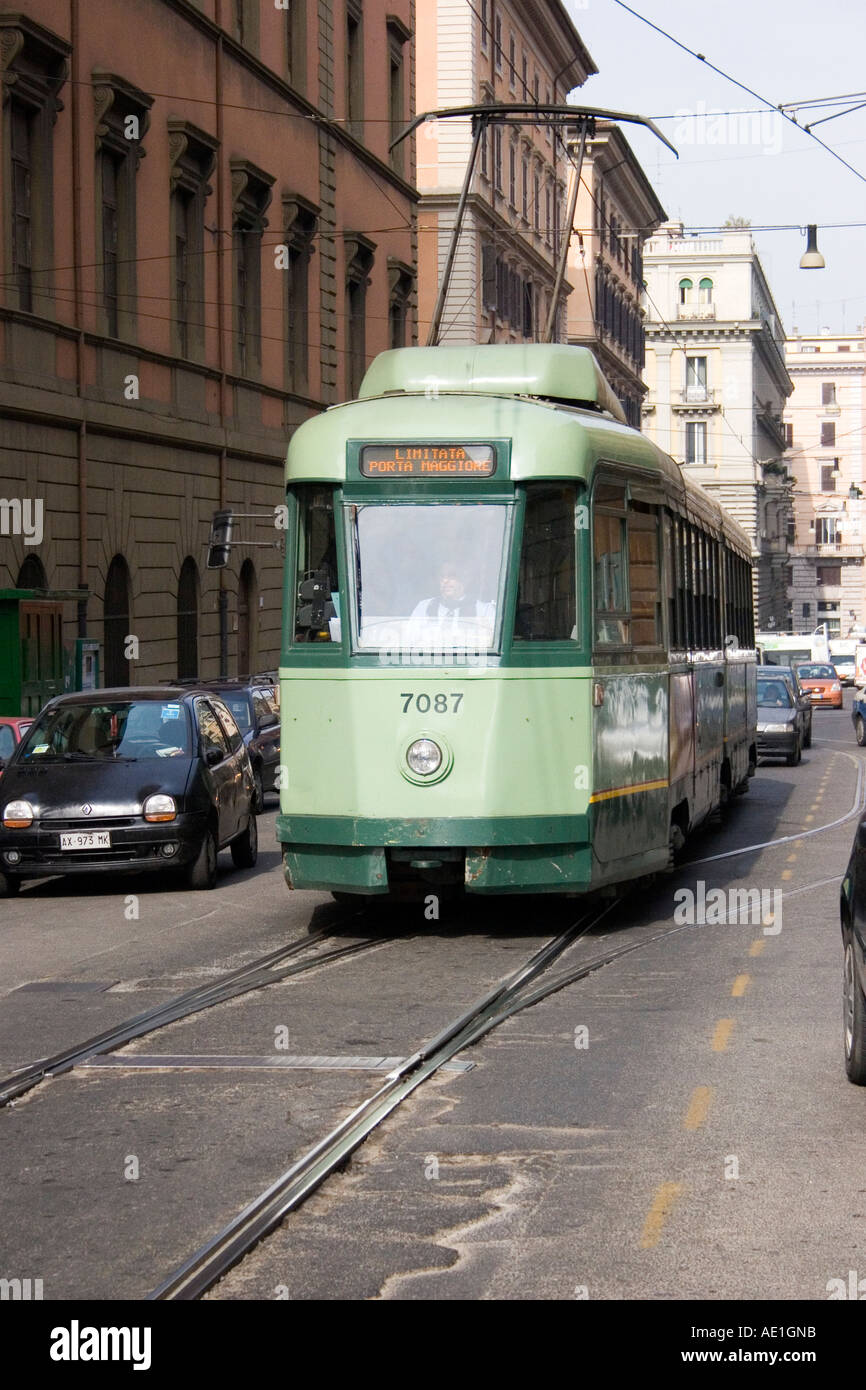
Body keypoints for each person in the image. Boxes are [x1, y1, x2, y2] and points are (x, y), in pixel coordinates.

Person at [411, 560, 494, 625]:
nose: (445, 580)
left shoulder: (483, 611)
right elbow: (410, 639)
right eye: (442, 576)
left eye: (451, 576)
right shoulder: (424, 607)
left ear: (464, 580)